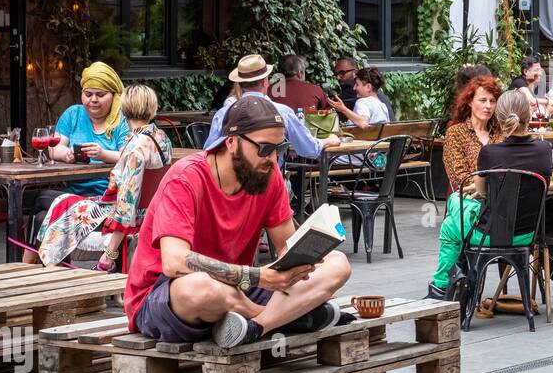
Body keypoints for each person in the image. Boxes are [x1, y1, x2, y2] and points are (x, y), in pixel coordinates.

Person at [125, 97, 352, 347]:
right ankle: (287, 317)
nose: (273, 158)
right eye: (265, 149)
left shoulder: (268, 172)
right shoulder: (185, 177)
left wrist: (303, 261)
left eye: (279, 148)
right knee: (200, 288)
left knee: (337, 264)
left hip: (238, 290)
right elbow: (175, 263)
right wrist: (258, 277)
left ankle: (257, 327)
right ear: (232, 142)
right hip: (167, 294)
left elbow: (286, 245)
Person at [441, 88, 553, 313]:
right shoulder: (543, 150)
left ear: (500, 117)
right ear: (529, 117)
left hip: (494, 230)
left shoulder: (489, 153)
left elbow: (483, 192)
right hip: (530, 231)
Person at [27, 85, 173, 270]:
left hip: (121, 215)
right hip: (148, 214)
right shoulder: (162, 139)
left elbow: (126, 206)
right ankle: (43, 267)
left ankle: (40, 268)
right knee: (47, 207)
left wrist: (109, 256)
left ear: (123, 108)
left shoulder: (135, 148)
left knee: (45, 207)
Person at [428, 76, 503, 299]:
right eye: (483, 100)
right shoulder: (456, 133)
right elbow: (459, 178)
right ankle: (452, 282)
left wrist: (481, 185)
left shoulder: (501, 134)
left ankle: (442, 286)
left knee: (452, 222)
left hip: (499, 203)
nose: (488, 106)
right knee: (458, 201)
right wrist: (487, 185)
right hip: (473, 202)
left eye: (492, 101)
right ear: (470, 102)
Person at [205, 54, 338, 157]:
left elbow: (208, 151)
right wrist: (328, 140)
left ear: (239, 83)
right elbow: (308, 148)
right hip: (267, 183)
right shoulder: (281, 112)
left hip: (228, 185)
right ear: (265, 82)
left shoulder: (223, 112)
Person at [50, 62, 132, 197]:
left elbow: (128, 156)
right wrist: (67, 154)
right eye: (88, 94)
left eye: (100, 94)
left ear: (113, 96)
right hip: (75, 193)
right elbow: (53, 148)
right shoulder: (72, 114)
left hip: (110, 195)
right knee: (41, 206)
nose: (93, 99)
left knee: (42, 204)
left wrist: (102, 154)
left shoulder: (122, 120)